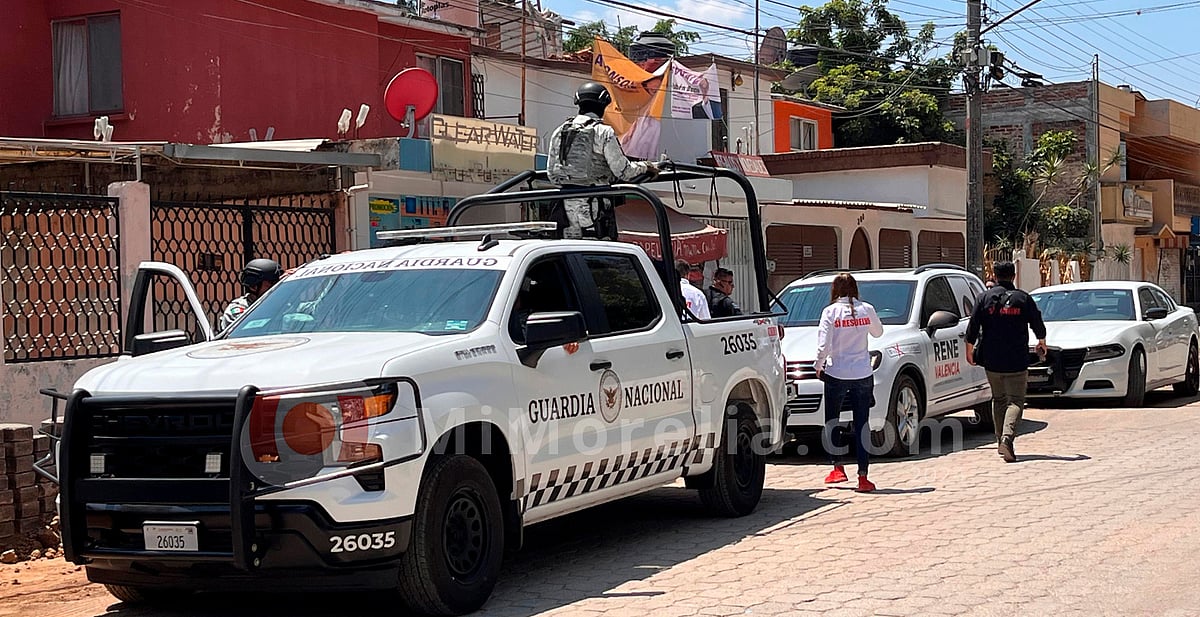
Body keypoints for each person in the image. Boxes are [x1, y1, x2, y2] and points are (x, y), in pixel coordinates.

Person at [547, 82, 659, 239]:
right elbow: (624, 171)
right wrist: (647, 167)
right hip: (595, 207)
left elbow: (552, 175)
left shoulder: (559, 131)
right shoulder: (603, 131)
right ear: (603, 104)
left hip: (564, 208)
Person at [965, 261, 1048, 463]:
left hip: (991, 359)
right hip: (1017, 359)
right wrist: (1042, 342)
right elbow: (1038, 324)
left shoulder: (984, 298)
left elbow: (972, 327)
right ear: (1014, 275)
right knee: (1016, 401)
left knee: (999, 399)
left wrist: (969, 352)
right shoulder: (1023, 298)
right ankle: (1007, 438)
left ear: (994, 275)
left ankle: (999, 440)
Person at [814, 273, 884, 492]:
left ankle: (838, 468)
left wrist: (818, 365)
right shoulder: (867, 309)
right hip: (863, 373)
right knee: (862, 423)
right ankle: (863, 477)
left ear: (835, 290)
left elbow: (823, 345)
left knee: (832, 420)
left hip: (837, 373)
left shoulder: (830, 312)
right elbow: (878, 332)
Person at [219, 258, 283, 331]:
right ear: (254, 287)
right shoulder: (239, 307)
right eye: (272, 283)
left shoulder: (287, 304)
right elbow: (244, 331)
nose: (277, 287)